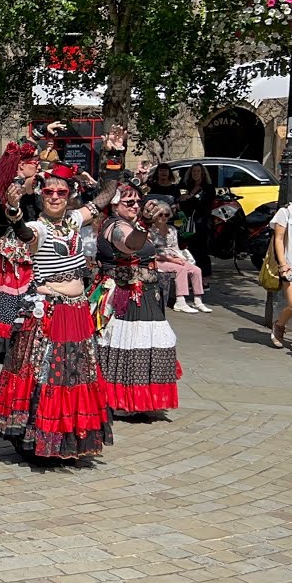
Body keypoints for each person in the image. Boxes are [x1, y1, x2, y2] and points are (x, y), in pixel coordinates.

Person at [0, 164, 117, 460]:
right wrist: (14, 209)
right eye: (49, 192)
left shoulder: (73, 220)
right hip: (50, 310)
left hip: (78, 309)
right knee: (47, 374)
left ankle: (69, 436)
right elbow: (24, 232)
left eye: (61, 192)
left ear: (70, 195)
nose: (54, 197)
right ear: (41, 196)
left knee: (77, 374)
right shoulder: (40, 227)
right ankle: (42, 439)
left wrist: (113, 157)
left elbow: (107, 194)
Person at [93, 178, 182, 418]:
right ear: (114, 206)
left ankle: (143, 400)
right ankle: (122, 401)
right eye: (128, 202)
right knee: (127, 345)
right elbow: (130, 245)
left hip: (146, 293)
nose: (134, 205)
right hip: (124, 295)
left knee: (148, 343)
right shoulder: (115, 226)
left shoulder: (132, 224)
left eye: (137, 201)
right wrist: (143, 222)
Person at [0, 141, 41, 362]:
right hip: (18, 248)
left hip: (34, 242)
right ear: (21, 166)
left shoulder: (35, 185)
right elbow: (19, 215)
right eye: (34, 163)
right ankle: (5, 341)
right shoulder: (16, 187)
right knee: (12, 293)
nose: (39, 166)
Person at [147, 198, 211, 313]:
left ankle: (198, 300)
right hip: (158, 259)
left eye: (166, 214)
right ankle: (180, 301)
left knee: (196, 270)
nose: (163, 217)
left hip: (173, 257)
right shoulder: (149, 231)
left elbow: (175, 248)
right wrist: (172, 259)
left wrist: (179, 258)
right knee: (180, 269)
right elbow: (151, 253)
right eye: (160, 214)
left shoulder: (172, 229)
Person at [178, 163, 214, 286]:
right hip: (188, 222)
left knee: (202, 251)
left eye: (198, 171)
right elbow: (181, 200)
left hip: (202, 223)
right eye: (193, 171)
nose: (195, 174)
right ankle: (191, 277)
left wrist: (189, 199)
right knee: (189, 250)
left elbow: (205, 205)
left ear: (203, 173)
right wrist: (189, 199)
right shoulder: (186, 186)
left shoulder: (208, 188)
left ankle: (204, 280)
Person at [270, 198, 292, 346]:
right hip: (290, 265)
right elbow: (278, 239)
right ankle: (279, 325)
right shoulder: (286, 212)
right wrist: (283, 264)